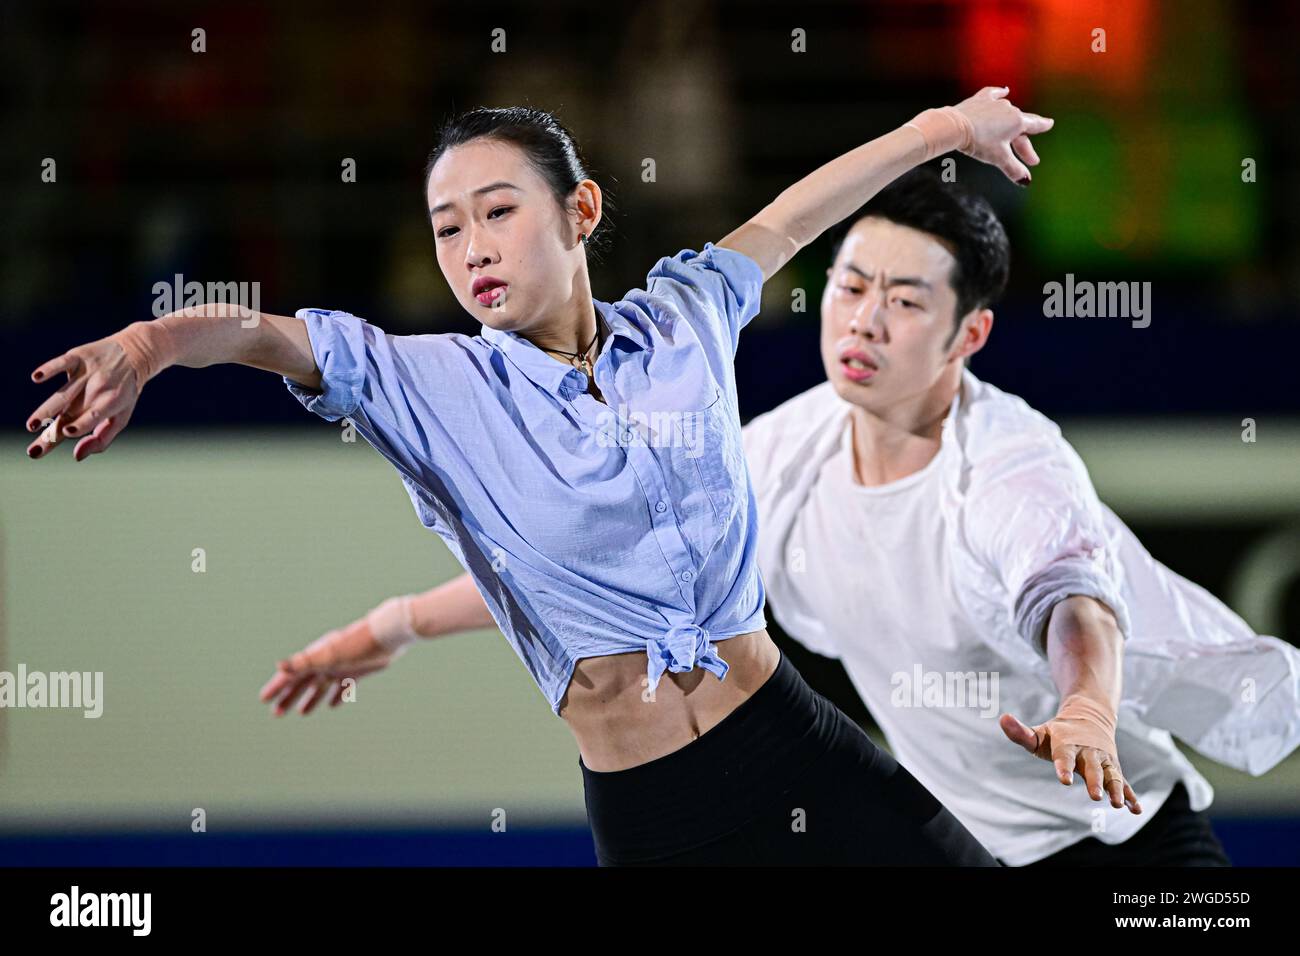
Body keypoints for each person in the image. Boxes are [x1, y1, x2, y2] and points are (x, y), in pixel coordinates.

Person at [29, 89, 1054, 865]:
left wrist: (944, 128)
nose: (471, 247)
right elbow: (261, 333)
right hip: (658, 811)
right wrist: (150, 342)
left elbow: (790, 217)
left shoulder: (682, 319)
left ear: (580, 210)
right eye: (446, 227)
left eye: (497, 210)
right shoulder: (427, 384)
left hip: (794, 739)